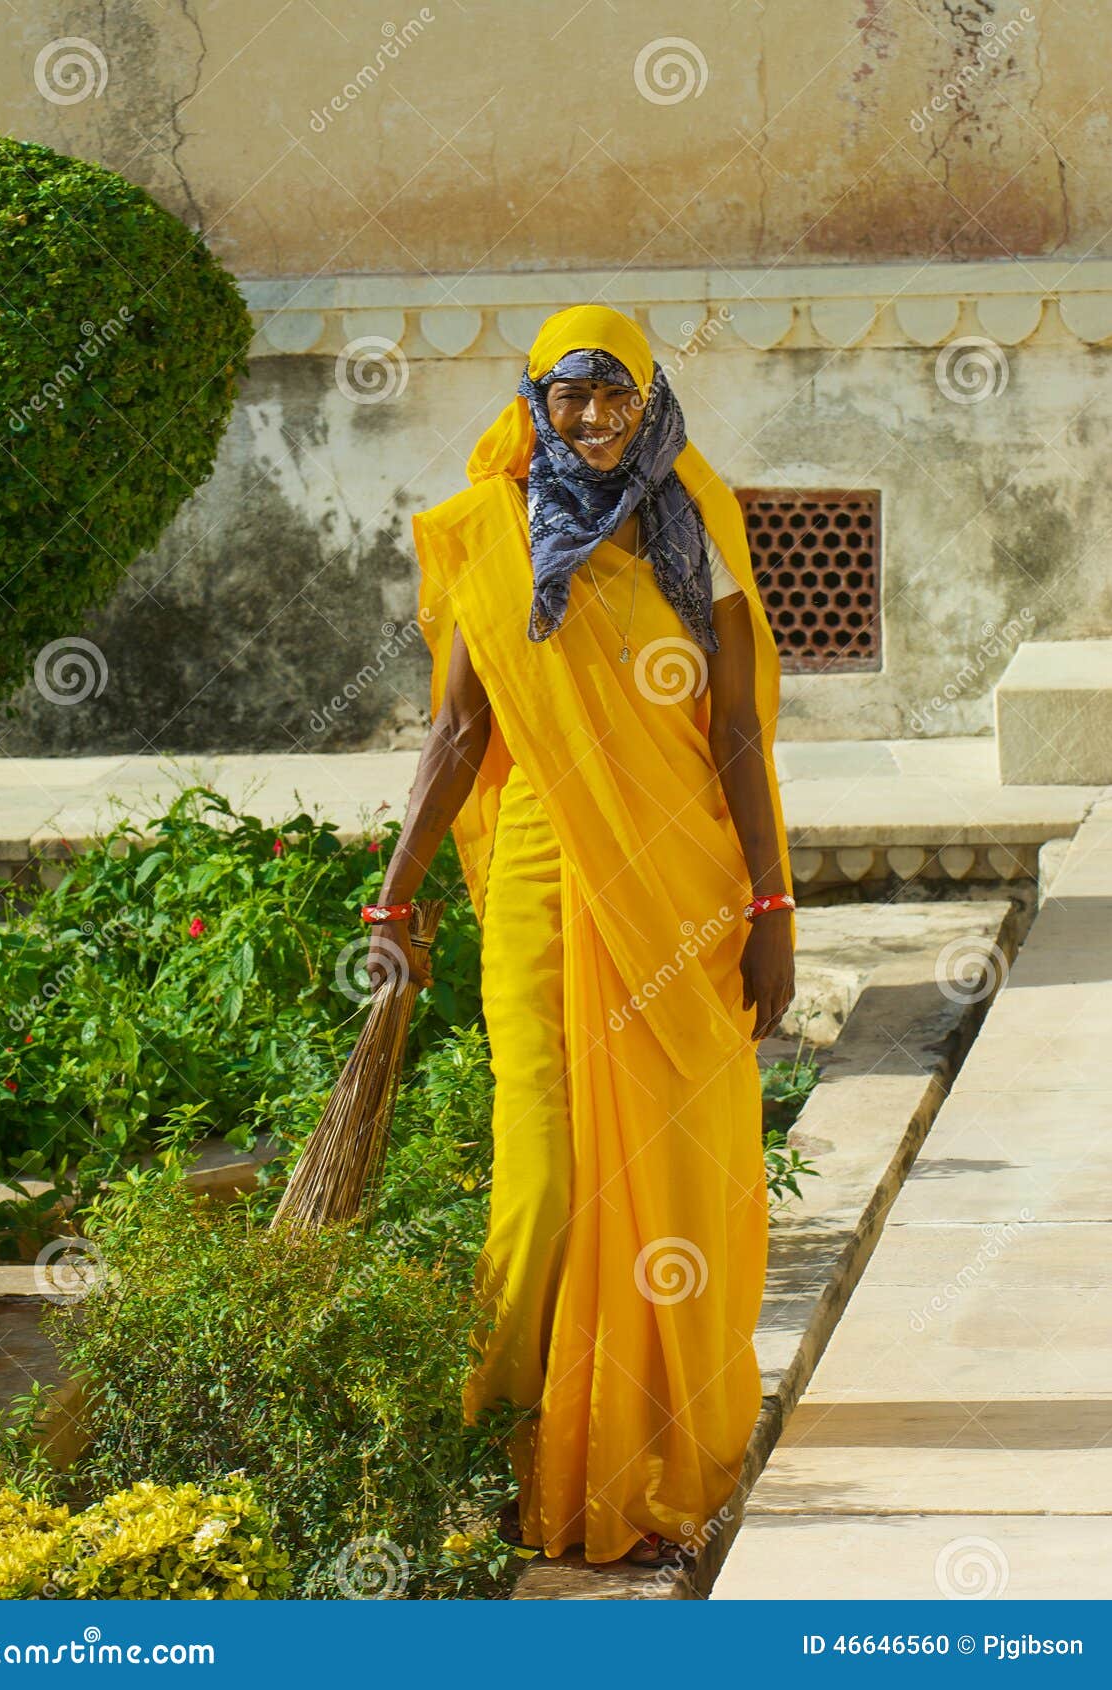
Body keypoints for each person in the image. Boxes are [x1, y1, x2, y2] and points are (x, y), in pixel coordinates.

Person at [364, 303, 795, 1569]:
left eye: (617, 396)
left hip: (682, 888)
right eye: (570, 396)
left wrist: (771, 907)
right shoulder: (492, 538)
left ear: (649, 400)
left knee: (673, 1171)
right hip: (549, 886)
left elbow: (733, 740)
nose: (596, 420)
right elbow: (454, 738)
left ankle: (652, 1455)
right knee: (546, 1180)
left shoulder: (695, 534)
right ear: (535, 400)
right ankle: (495, 1448)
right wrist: (392, 897)